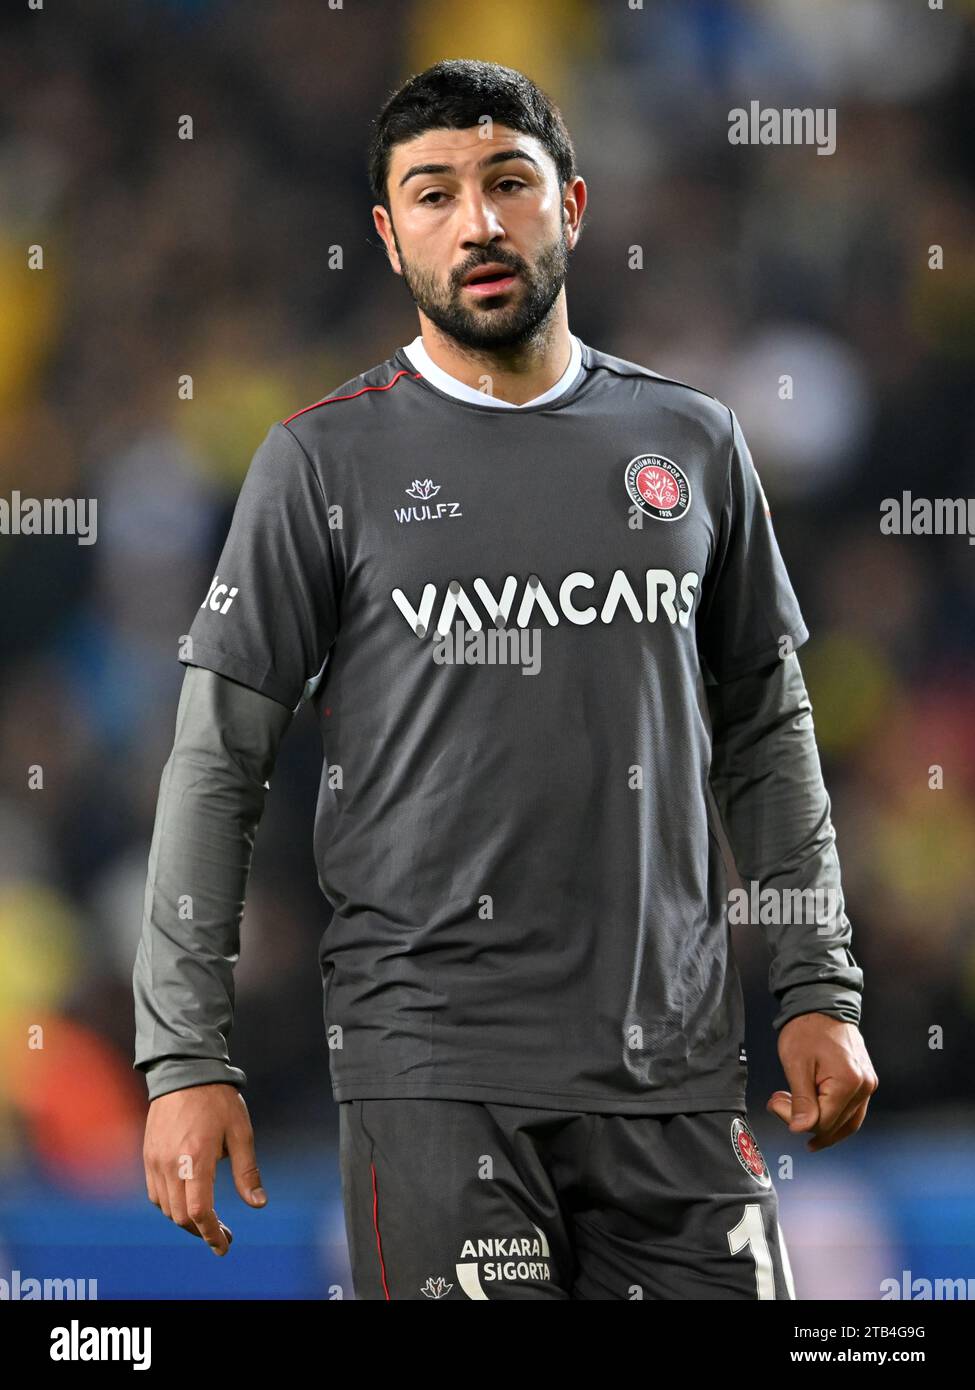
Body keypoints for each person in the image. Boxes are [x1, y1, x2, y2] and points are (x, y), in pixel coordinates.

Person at [134, 58, 878, 1300]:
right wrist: (183, 1060)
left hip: (677, 1079)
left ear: (572, 207)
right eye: (431, 194)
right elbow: (218, 766)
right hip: (436, 1084)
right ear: (386, 236)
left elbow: (766, 733)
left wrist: (815, 984)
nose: (475, 222)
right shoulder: (321, 461)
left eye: (507, 183)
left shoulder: (692, 442)